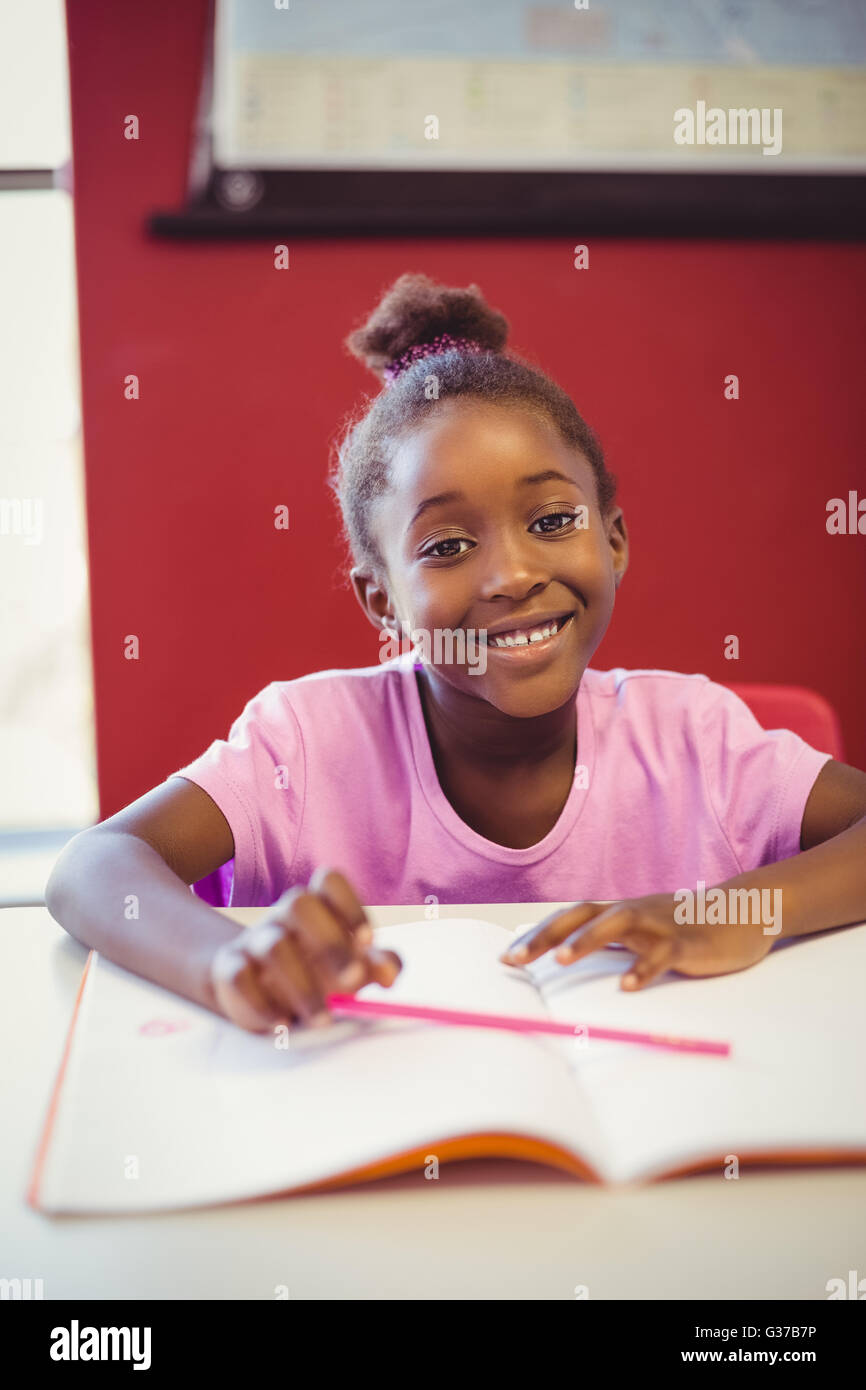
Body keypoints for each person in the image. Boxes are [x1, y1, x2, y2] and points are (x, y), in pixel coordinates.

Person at [46, 273, 866, 1031]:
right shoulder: (306, 741)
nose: (511, 576)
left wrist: (734, 912)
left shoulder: (697, 740)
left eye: (551, 522)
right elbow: (92, 869)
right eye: (445, 546)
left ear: (612, 540)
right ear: (382, 600)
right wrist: (225, 959)